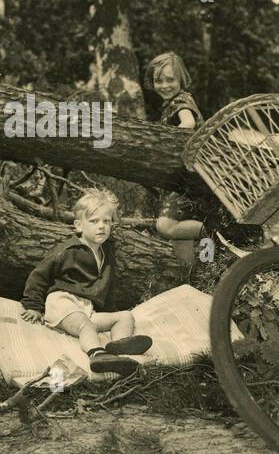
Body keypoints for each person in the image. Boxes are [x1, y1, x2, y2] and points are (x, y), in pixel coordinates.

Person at [20, 188, 154, 376]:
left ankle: (119, 347)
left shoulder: (106, 252)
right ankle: (97, 354)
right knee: (86, 326)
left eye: (107, 221)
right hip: (63, 303)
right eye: (94, 221)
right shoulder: (68, 251)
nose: (102, 226)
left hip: (87, 308)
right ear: (79, 226)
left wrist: (109, 312)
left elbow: (107, 287)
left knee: (125, 316)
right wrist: (33, 306)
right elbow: (39, 275)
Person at [146, 52, 207, 275]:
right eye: (158, 80)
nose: (164, 85)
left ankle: (211, 230)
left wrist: (166, 138)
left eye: (170, 79)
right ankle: (192, 276)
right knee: (182, 242)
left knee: (166, 226)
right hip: (180, 178)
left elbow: (188, 123)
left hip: (186, 179)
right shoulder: (170, 104)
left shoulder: (182, 101)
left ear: (181, 79)